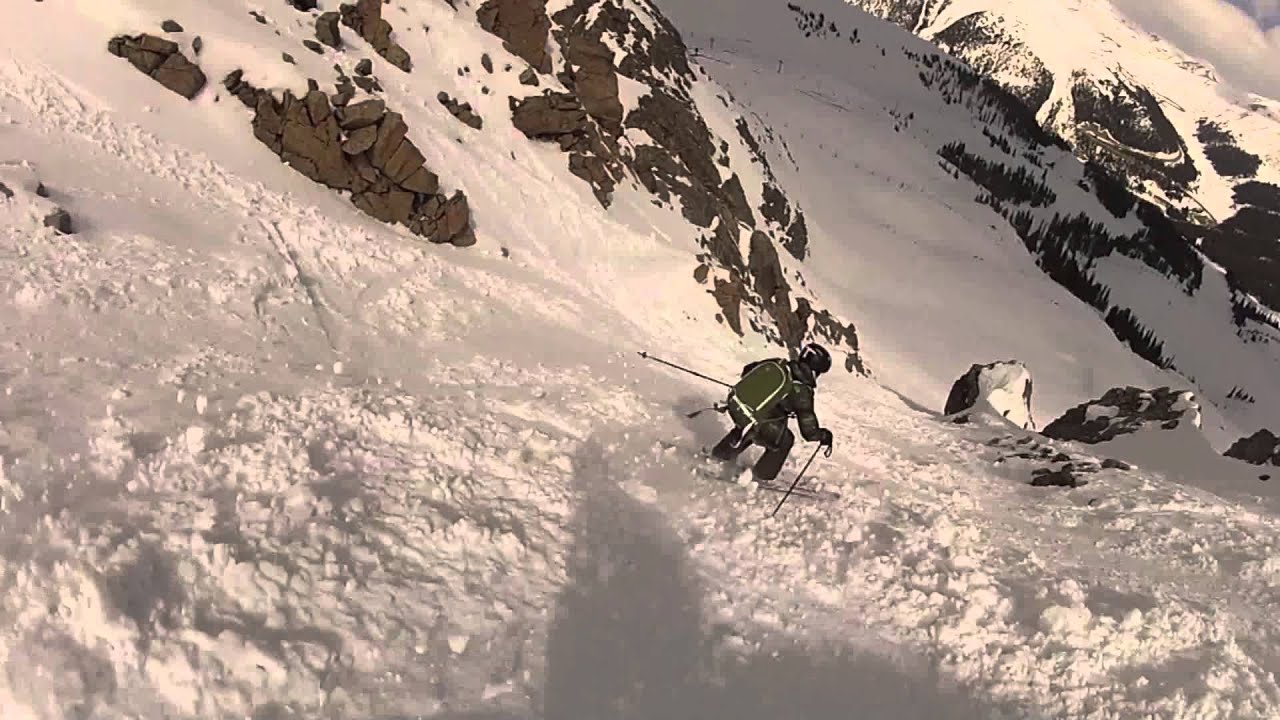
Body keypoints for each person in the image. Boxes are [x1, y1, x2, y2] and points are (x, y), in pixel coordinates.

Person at [710, 342, 835, 482]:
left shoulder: (779, 364)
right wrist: (823, 435)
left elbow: (748, 370)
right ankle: (761, 476)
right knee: (784, 439)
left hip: (742, 407)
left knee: (749, 425)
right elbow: (809, 431)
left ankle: (719, 456)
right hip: (764, 422)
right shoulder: (802, 390)